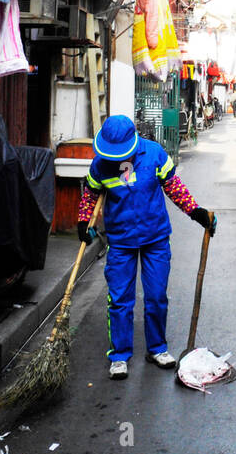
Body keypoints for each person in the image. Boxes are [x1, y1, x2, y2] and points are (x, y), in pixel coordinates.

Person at [77, 114, 216, 378]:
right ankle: (119, 355)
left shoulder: (154, 154)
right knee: (119, 300)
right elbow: (91, 194)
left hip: (155, 238)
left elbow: (174, 187)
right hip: (120, 240)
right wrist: (83, 222)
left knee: (156, 296)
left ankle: (156, 348)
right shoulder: (101, 164)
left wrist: (195, 211)